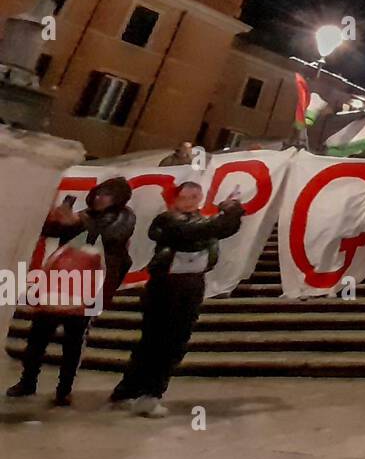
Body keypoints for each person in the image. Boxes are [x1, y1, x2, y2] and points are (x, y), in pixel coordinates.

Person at [110, 181, 245, 417]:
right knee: (155, 340)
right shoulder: (167, 220)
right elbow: (197, 231)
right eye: (187, 196)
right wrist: (229, 211)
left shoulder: (204, 222)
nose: (192, 200)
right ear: (176, 199)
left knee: (176, 340)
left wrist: (232, 211)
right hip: (166, 284)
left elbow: (223, 228)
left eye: (196, 195)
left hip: (192, 284)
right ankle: (134, 391)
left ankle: (147, 393)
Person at [8, 177, 137, 405]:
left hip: (89, 290)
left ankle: (64, 389)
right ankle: (27, 382)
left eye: (105, 194)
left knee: (73, 342)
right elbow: (51, 229)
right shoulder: (83, 215)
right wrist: (52, 216)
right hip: (59, 284)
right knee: (37, 337)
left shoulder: (123, 217)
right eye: (97, 193)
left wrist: (78, 219)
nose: (99, 198)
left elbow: (111, 234)